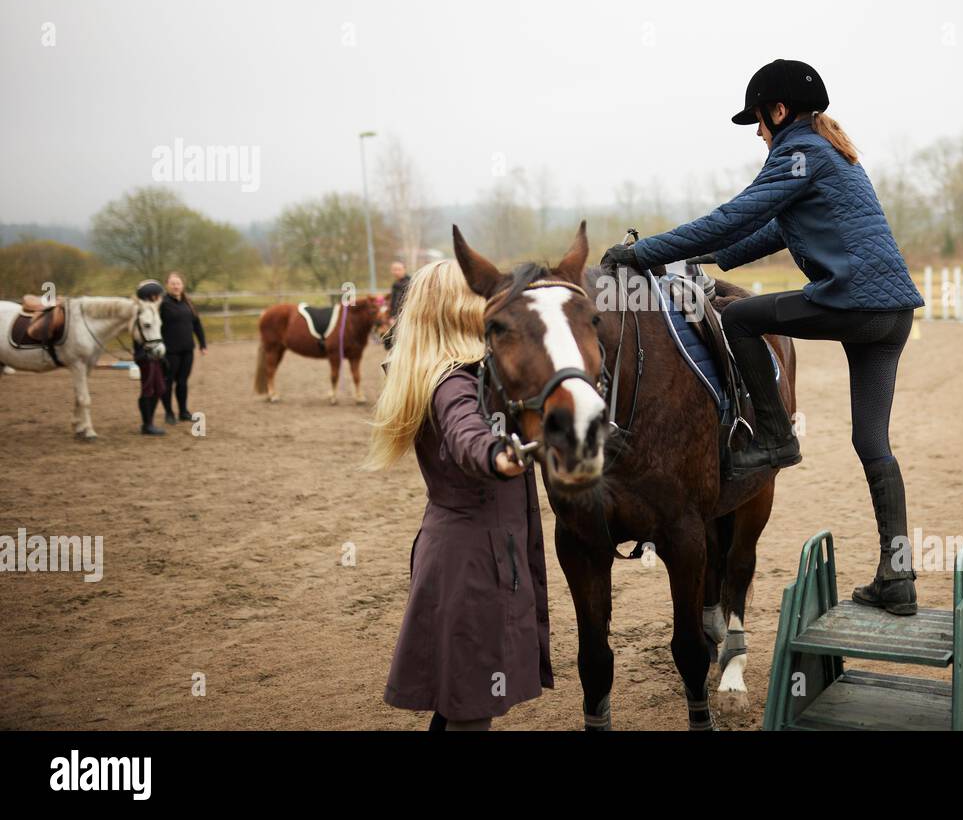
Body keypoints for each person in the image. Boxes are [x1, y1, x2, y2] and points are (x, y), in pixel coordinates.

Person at [600, 59, 926, 615]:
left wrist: (643, 253)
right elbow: (769, 230)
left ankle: (774, 438)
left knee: (738, 316)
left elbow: (732, 216)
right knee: (873, 443)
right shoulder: (831, 154)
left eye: (758, 119)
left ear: (779, 111)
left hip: (855, 303)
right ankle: (898, 577)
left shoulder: (797, 153)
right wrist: (701, 257)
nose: (756, 132)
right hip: (892, 314)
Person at [363, 259, 553, 730]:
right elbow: (466, 434)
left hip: (461, 550)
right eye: (478, 294)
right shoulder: (453, 380)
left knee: (456, 698)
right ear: (456, 308)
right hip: (475, 562)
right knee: (472, 708)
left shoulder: (452, 371)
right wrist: (496, 456)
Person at [159, 271, 206, 424]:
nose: (176, 286)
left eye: (178, 283)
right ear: (167, 285)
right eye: (172, 283)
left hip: (187, 350)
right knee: (168, 381)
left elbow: (197, 324)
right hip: (169, 351)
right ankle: (169, 413)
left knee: (183, 381)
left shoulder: (188, 303)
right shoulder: (162, 304)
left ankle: (183, 411)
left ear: (182, 285)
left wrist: (202, 343)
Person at [134, 280, 168, 436]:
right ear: (149, 296)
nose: (158, 297)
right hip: (145, 354)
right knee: (148, 389)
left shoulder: (153, 309)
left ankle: (150, 422)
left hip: (155, 353)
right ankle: (146, 424)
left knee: (159, 388)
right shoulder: (142, 311)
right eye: (155, 295)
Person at [382, 260, 411, 350]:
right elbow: (394, 302)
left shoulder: (410, 283)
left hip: (406, 317)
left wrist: (397, 317)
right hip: (395, 317)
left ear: (404, 269)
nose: (396, 272)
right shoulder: (395, 285)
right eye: (394, 269)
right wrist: (391, 316)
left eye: (398, 269)